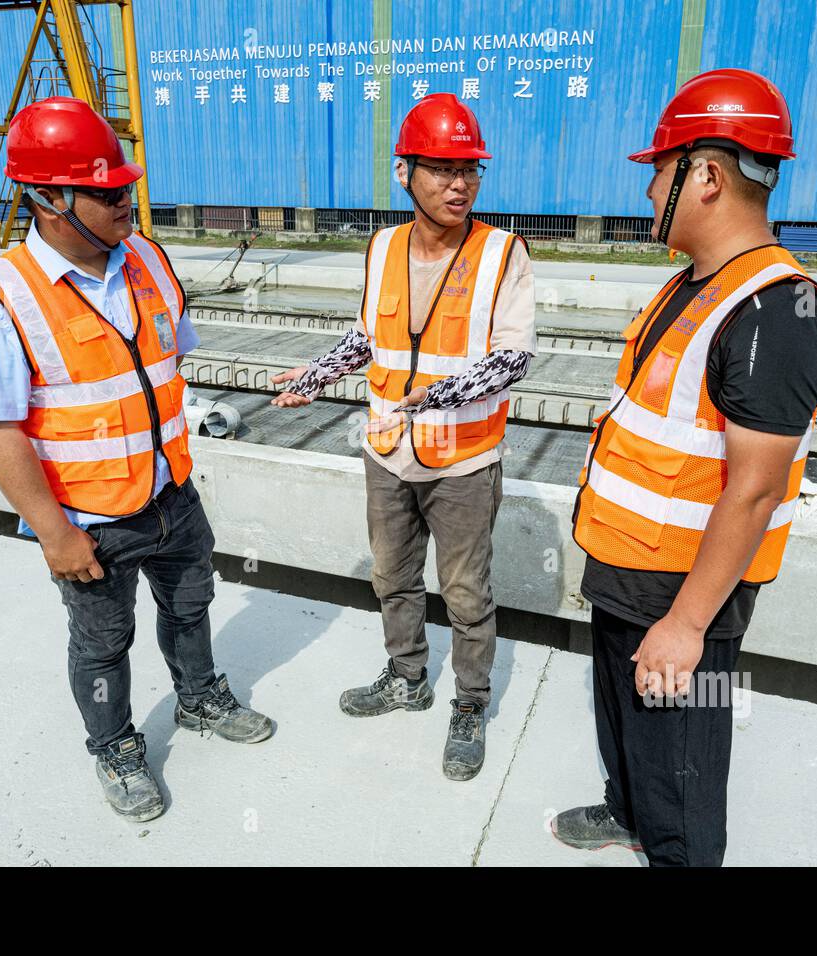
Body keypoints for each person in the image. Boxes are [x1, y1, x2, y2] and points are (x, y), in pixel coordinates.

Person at [552, 69, 817, 865]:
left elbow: (754, 489)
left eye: (658, 172)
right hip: (628, 566)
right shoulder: (697, 286)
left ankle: (678, 849)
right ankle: (630, 813)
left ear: (705, 175)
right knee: (625, 716)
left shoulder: (777, 310)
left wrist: (686, 624)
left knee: (681, 752)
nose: (647, 193)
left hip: (685, 592)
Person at [0, 96, 272, 823]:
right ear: (47, 200)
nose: (125, 200)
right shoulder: (0, 298)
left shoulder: (150, 261)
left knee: (191, 605)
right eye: (105, 193)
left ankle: (197, 699)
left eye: (125, 185)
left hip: (172, 494)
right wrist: (52, 532)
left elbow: (168, 367)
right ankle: (114, 746)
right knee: (103, 644)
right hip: (89, 521)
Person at [269, 93, 537, 781]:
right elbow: (368, 336)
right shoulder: (383, 246)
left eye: (470, 171)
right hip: (387, 450)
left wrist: (438, 394)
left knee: (467, 591)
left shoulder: (502, 252)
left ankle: (470, 704)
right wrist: (320, 373)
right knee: (391, 576)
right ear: (405, 172)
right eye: (442, 170)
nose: (459, 185)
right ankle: (406, 676)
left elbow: (513, 357)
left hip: (465, 460)